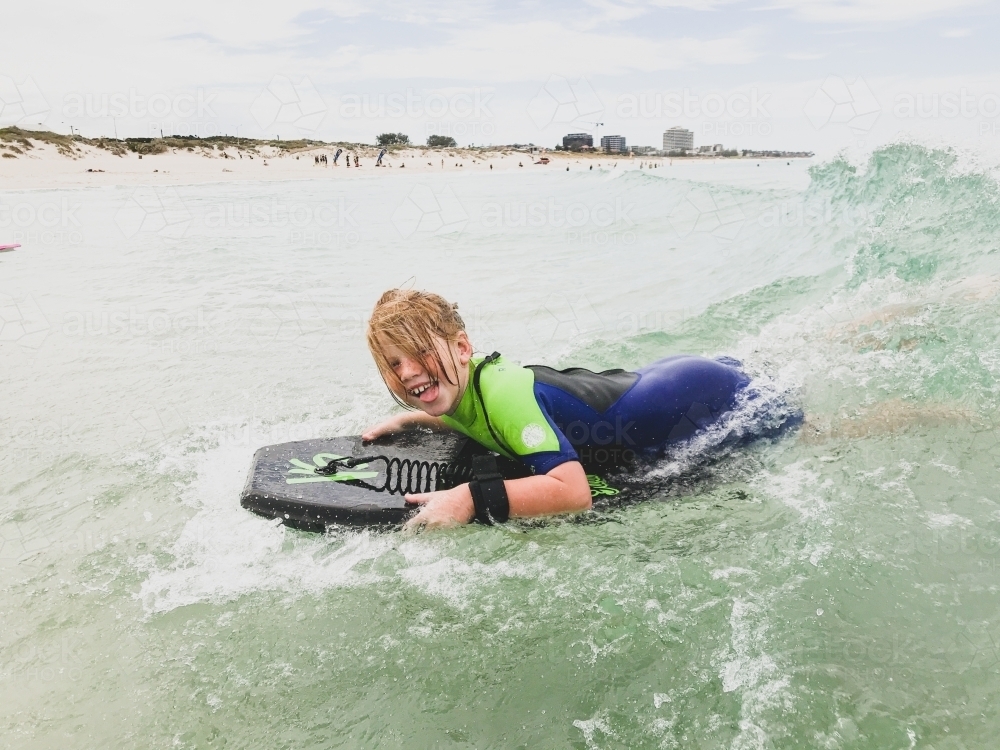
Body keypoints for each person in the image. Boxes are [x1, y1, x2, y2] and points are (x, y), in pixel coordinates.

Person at [362, 289, 754, 529]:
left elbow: (574, 493)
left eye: (421, 353)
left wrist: (468, 499)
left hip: (697, 393)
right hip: (653, 379)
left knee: (789, 422)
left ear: (463, 348)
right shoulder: (461, 388)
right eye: (395, 364)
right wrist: (412, 419)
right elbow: (472, 415)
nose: (409, 371)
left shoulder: (504, 394)